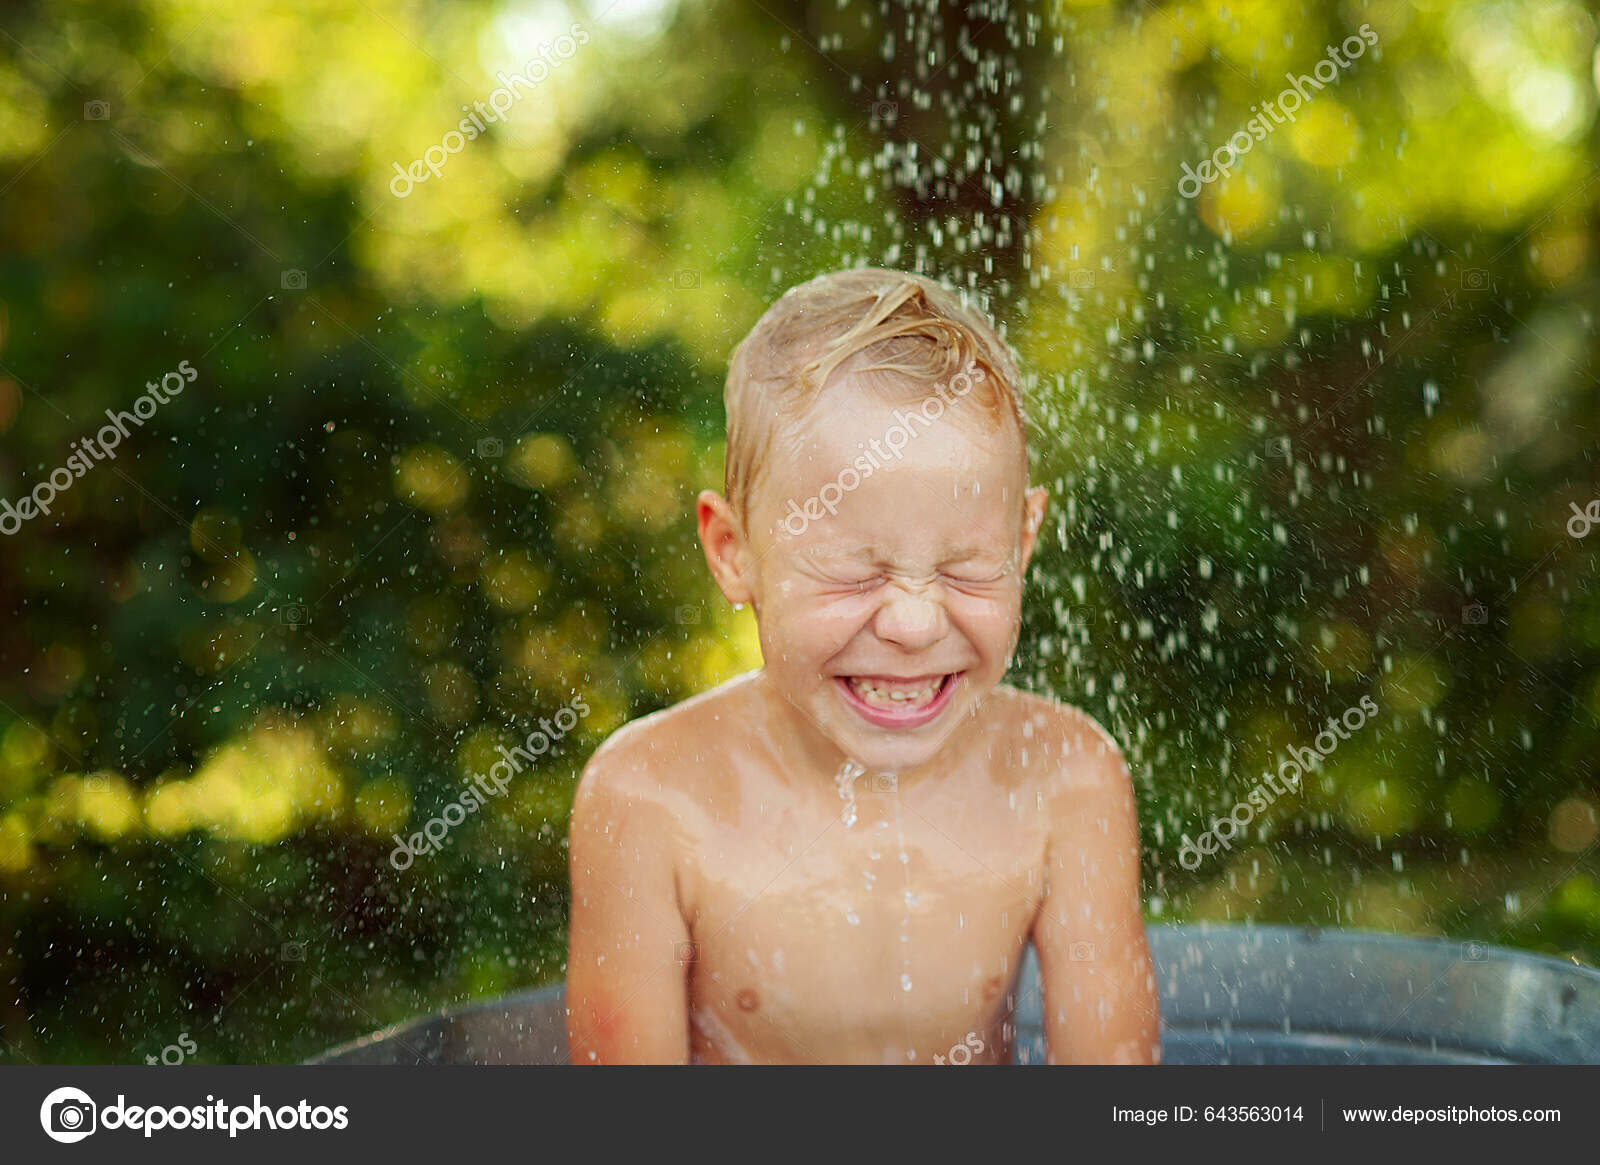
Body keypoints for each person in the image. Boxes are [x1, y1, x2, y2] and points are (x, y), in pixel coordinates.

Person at [566, 267, 1159, 1064]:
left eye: (966, 569)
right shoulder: (651, 797)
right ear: (733, 552)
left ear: (1022, 540)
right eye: (854, 573)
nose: (914, 624)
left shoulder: (1067, 778)